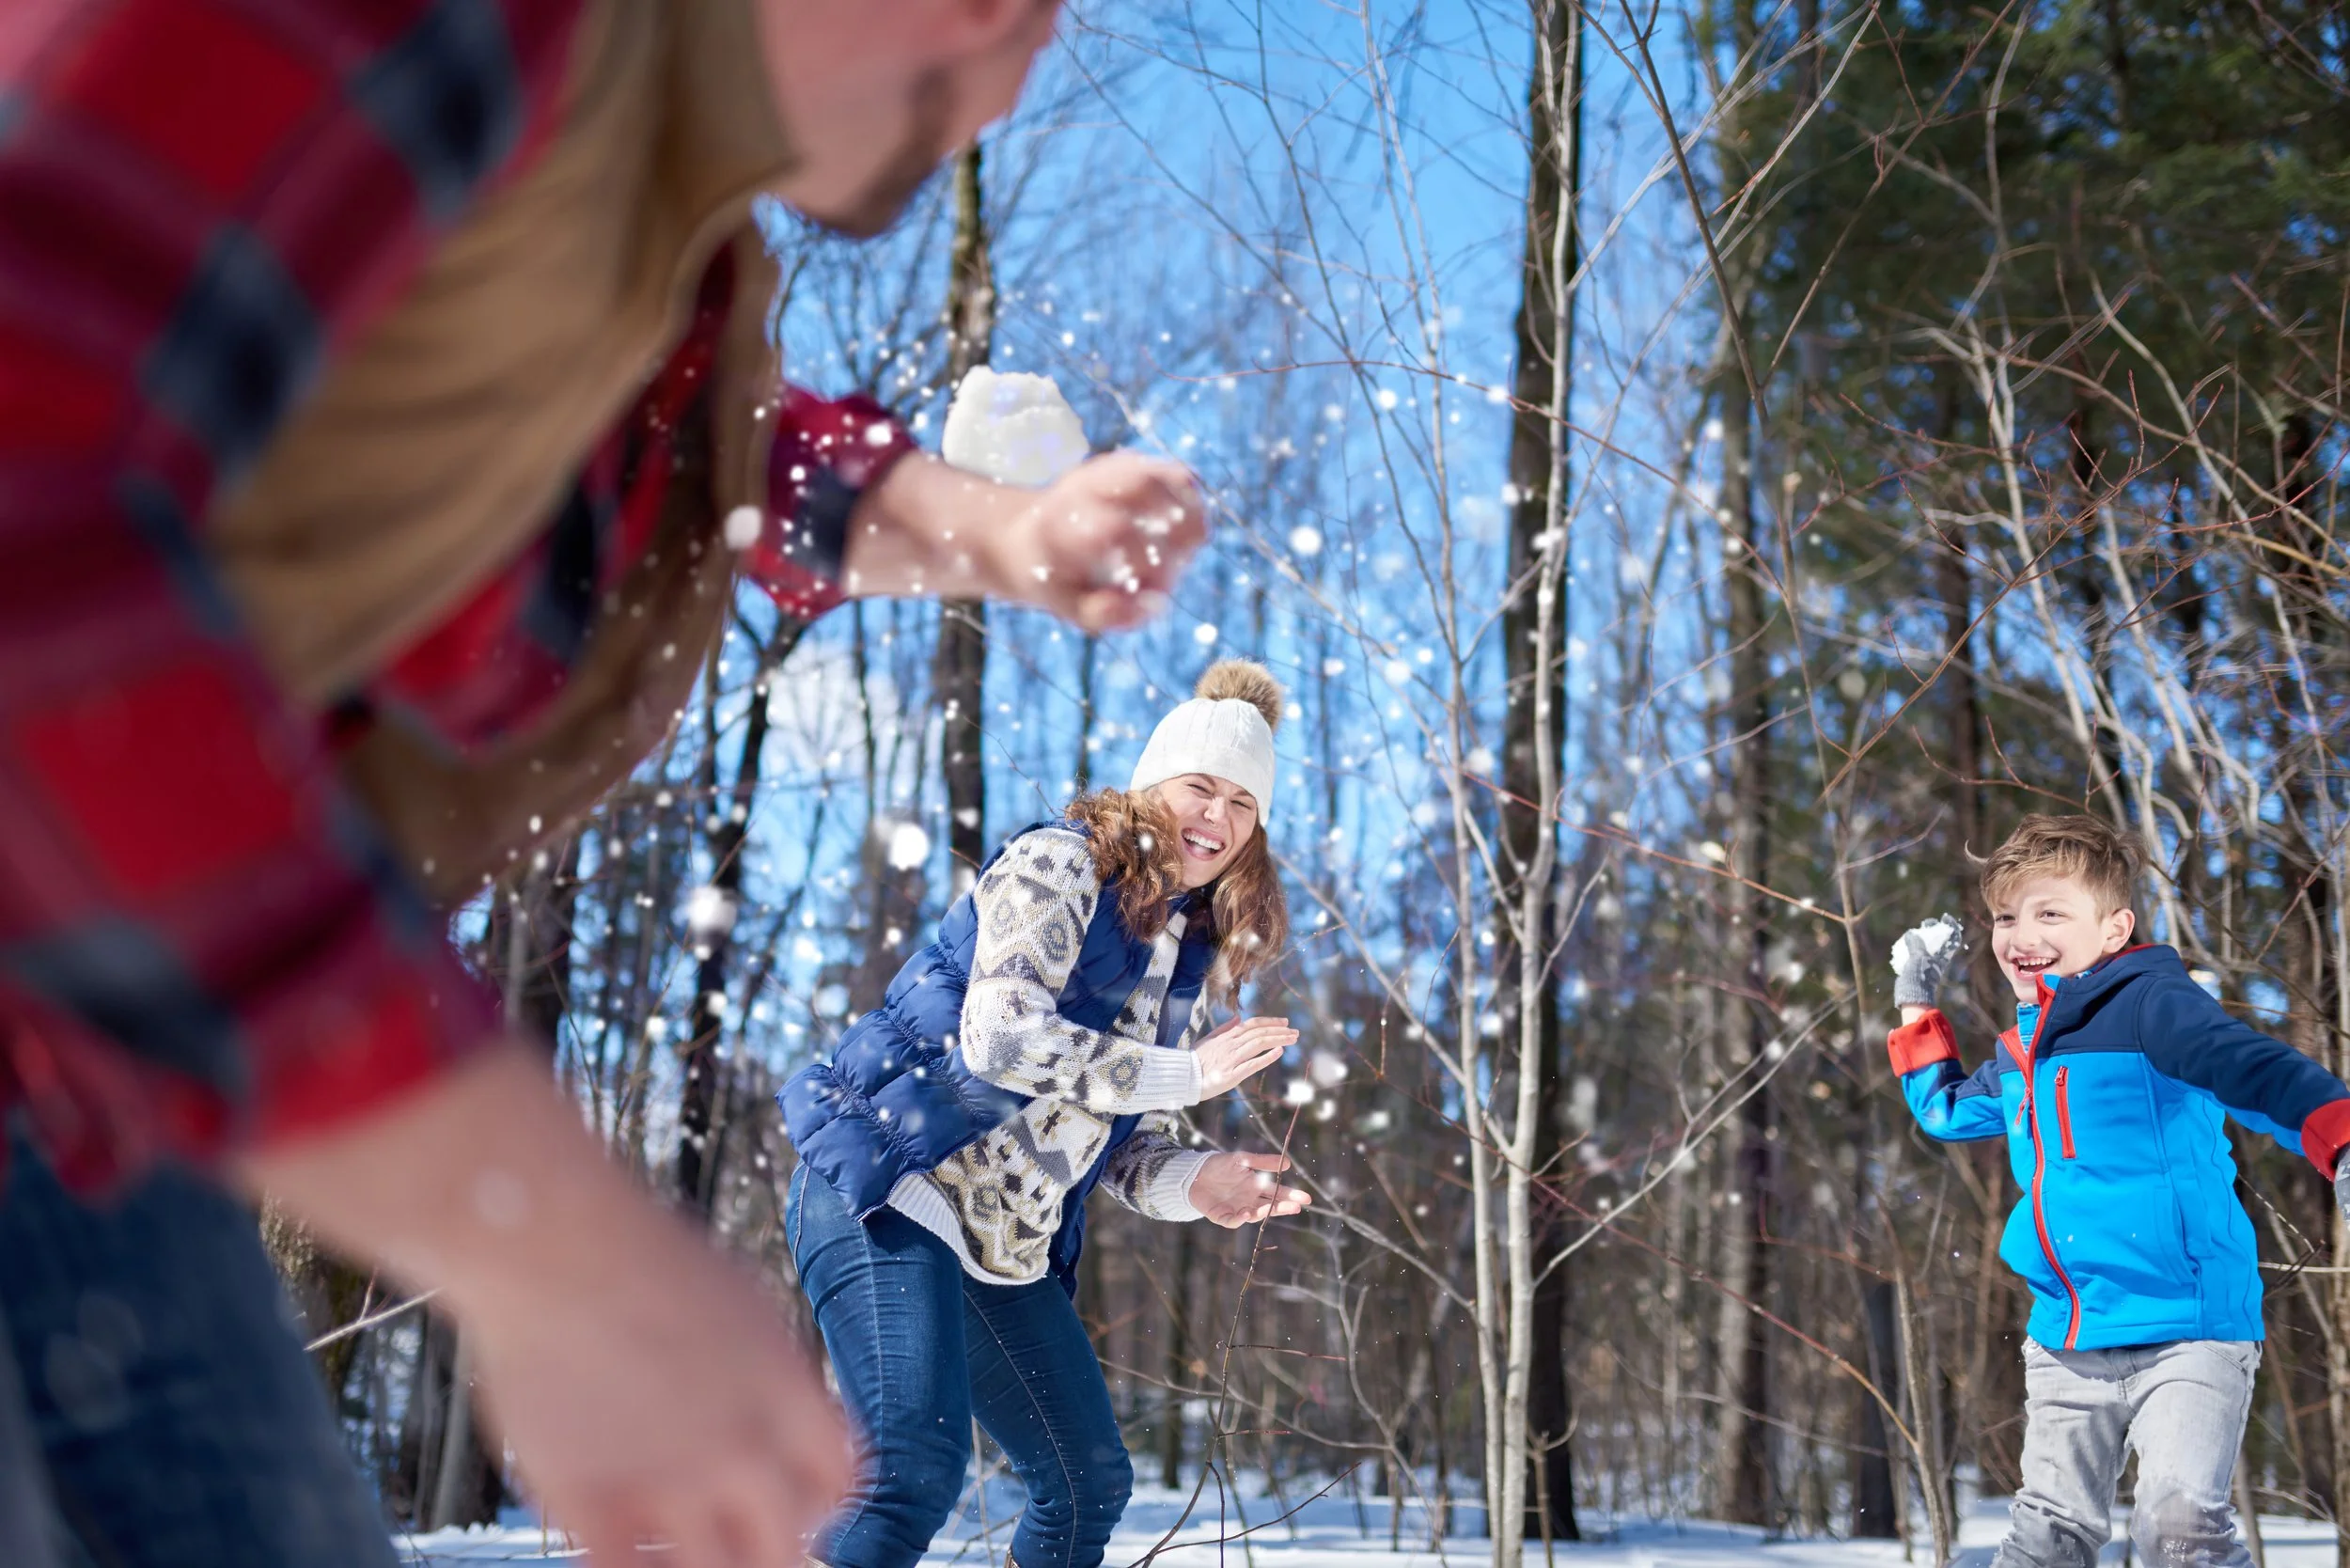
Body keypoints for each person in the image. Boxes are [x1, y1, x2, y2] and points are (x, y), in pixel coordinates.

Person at [0, 3, 1209, 1564]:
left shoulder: (623, 187)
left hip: (85, 1081)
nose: (1023, 51)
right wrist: (537, 1235)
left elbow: (727, 449)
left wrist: (1002, 535)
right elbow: (31, 541)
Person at [780, 659, 1313, 1568]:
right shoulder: (1059, 863)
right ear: (1152, 787)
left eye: (1241, 804)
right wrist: (1184, 1074)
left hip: (1002, 1245)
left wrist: (1199, 1181)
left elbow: (1117, 1131)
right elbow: (1000, 1037)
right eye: (1198, 787)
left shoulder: (1180, 949)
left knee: (1087, 1481)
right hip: (892, 1184)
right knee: (910, 1473)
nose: (1215, 819)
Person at [1886, 813, 2350, 1568]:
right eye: (2007, 916)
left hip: (2189, 1328)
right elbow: (1943, 1112)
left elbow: (2251, 1068)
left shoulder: (2152, 1008)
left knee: (2177, 1528)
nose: (2020, 935)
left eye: (2049, 912)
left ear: (2114, 928)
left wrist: (2340, 1136)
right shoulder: (2021, 1049)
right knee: (2046, 1535)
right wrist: (1915, 996)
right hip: (2069, 1337)